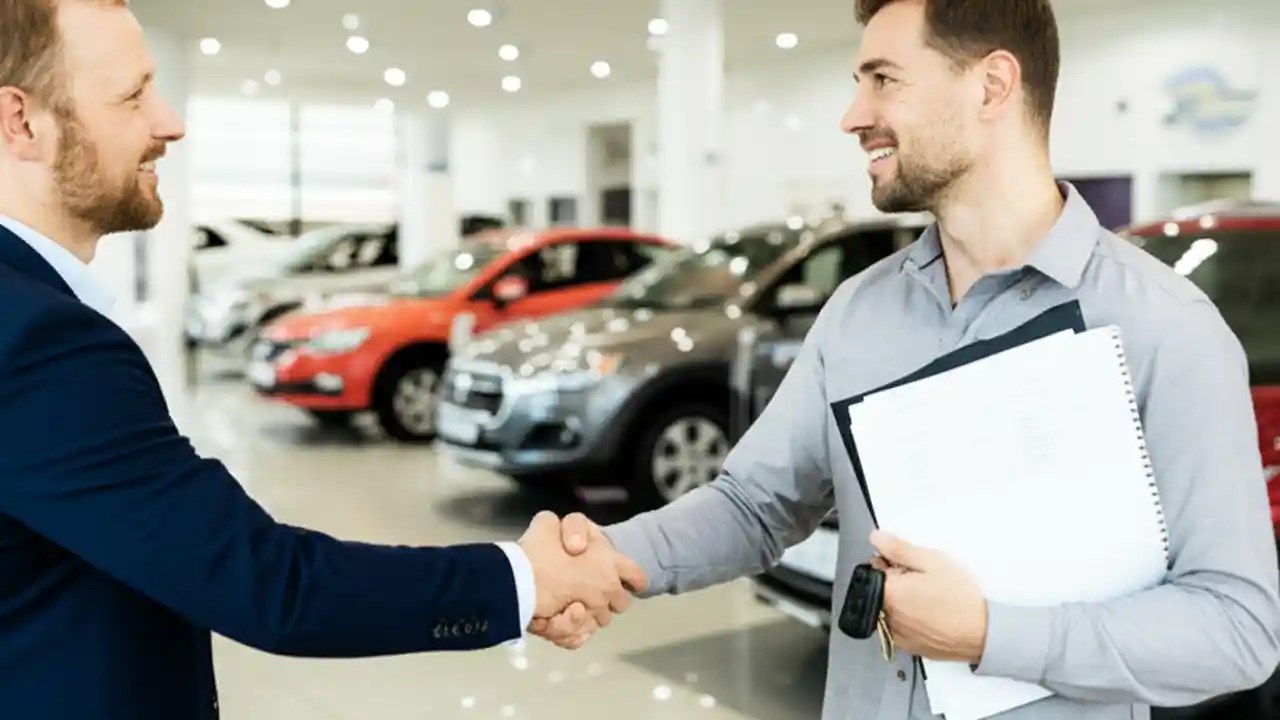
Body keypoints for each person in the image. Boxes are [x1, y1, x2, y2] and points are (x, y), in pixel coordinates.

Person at [533, 0, 1280, 717]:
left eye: (882, 79)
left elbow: (1237, 628)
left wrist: (989, 633)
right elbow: (755, 506)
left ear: (992, 85)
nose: (853, 115)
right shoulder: (859, 313)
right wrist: (601, 555)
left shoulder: (1164, 328)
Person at [0, 2, 644, 719]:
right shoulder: (39, 339)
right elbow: (273, 587)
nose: (170, 121)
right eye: (132, 95)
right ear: (20, 121)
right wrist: (524, 579)